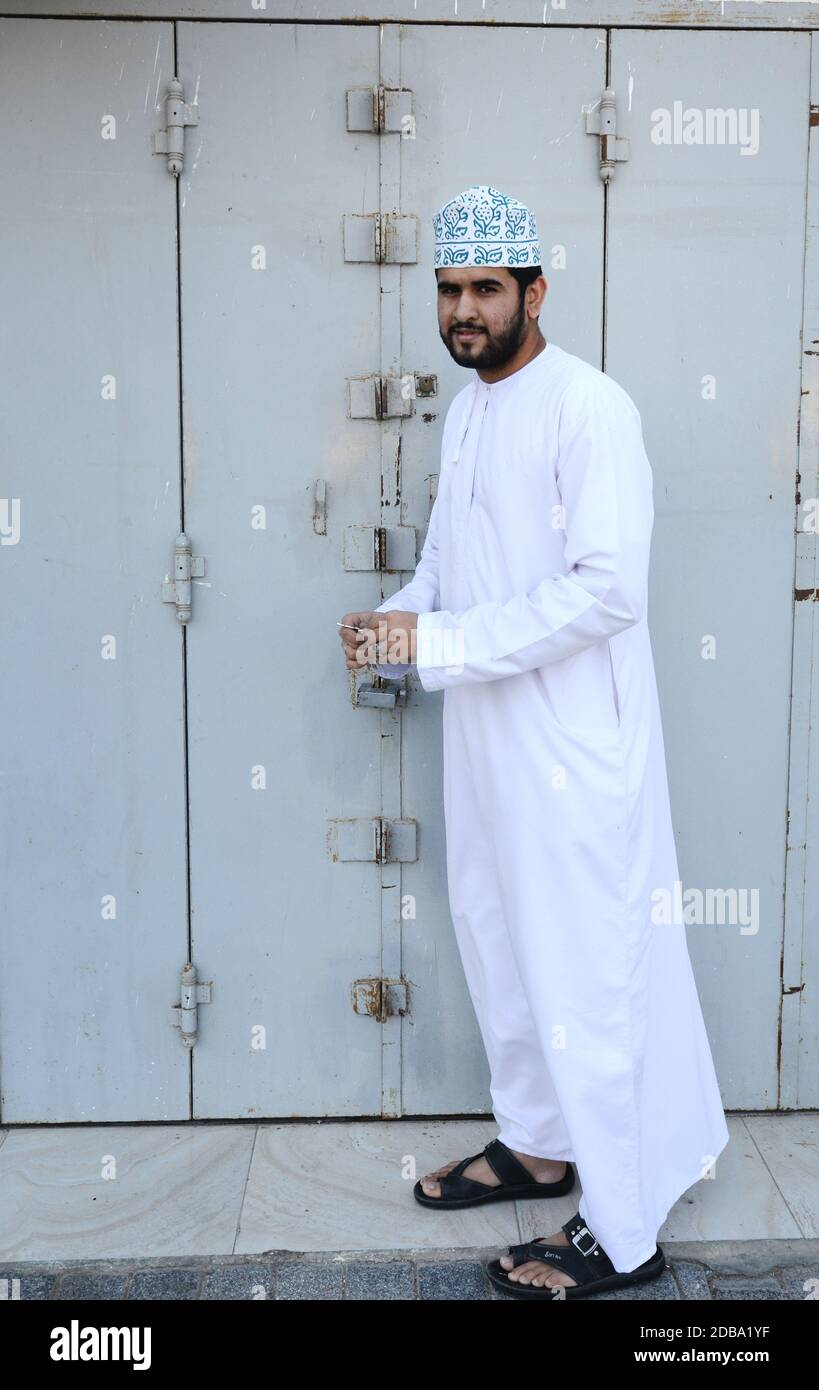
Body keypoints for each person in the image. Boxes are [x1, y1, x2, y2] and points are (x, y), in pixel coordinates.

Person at [338, 185, 729, 1300]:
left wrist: (444, 636)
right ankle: (540, 1145)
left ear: (535, 291)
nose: (465, 309)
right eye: (450, 289)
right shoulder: (467, 411)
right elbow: (453, 573)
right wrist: (399, 618)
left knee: (587, 974)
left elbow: (607, 593)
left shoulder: (588, 408)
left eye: (486, 289)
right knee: (501, 948)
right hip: (486, 741)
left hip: (576, 756)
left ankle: (623, 1227)